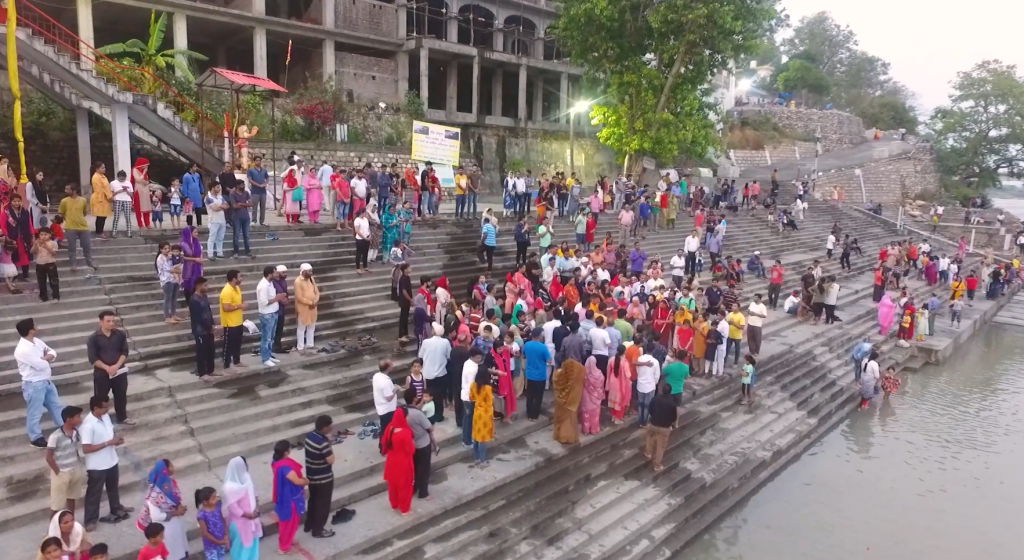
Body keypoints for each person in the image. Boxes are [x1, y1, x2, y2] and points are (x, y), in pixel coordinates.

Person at [81, 396, 131, 531]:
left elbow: (109, 434)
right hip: (97, 465)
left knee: (113, 487)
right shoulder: (88, 425)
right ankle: (90, 520)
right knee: (94, 493)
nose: (107, 409)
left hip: (111, 459)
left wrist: (115, 440)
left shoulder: (106, 417)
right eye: (104, 407)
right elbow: (86, 449)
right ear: (96, 408)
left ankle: (116, 507)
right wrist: (108, 443)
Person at [15, 317, 63, 447]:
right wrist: (46, 358)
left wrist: (44, 357)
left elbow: (53, 352)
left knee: (57, 406)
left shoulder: (36, 341)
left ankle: (65, 428)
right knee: (35, 413)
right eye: (34, 325)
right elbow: (41, 365)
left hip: (46, 382)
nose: (37, 326)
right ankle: (35, 438)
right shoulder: (22, 350)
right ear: (31, 330)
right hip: (34, 385)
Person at [136, 459, 188, 560]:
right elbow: (156, 516)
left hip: (175, 525)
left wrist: (180, 506)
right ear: (165, 470)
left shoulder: (170, 484)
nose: (173, 468)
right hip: (165, 529)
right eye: (171, 466)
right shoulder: (155, 495)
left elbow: (175, 499)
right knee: (171, 553)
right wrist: (175, 513)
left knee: (179, 549)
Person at [87, 310, 132, 425]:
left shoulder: (120, 335)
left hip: (119, 371)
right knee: (101, 397)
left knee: (121, 395)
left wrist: (116, 366)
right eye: (108, 321)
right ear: (101, 322)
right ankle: (100, 419)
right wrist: (107, 367)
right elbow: (93, 357)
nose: (111, 323)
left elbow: (124, 351)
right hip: (102, 373)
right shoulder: (93, 338)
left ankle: (122, 417)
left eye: (113, 321)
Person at [47, 406, 84, 518]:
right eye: (77, 417)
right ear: (69, 419)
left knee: (72, 498)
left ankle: (70, 522)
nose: (80, 419)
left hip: (75, 469)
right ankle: (52, 530)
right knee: (57, 504)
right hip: (62, 472)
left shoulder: (76, 432)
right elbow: (49, 457)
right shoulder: (55, 436)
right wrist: (58, 472)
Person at [222, 456, 262, 560]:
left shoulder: (247, 478)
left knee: (253, 545)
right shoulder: (229, 487)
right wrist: (248, 515)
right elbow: (233, 508)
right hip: (239, 522)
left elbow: (254, 494)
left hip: (252, 519)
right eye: (245, 465)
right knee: (239, 548)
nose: (247, 467)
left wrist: (257, 508)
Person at [271, 440, 307, 554]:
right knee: (289, 523)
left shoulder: (275, 461)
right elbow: (296, 481)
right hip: (289, 498)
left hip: (284, 495)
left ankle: (288, 541)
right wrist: (306, 481)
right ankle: (284, 547)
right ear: (286, 452)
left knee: (288, 523)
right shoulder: (285, 468)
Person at [303, 415, 336, 538]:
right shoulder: (323, 443)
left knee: (313, 501)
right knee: (323, 505)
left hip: (311, 476)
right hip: (324, 479)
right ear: (324, 428)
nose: (331, 428)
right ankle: (318, 530)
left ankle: (309, 524)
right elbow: (330, 460)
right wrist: (329, 444)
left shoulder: (309, 436)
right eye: (330, 426)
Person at [381, 407, 415, 514]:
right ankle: (404, 508)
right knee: (404, 486)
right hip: (403, 462)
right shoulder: (405, 432)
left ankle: (394, 505)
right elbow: (411, 450)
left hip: (391, 461)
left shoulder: (390, 427)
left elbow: (384, 442)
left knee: (392, 485)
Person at [403, 387, 436, 498]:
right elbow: (430, 428)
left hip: (412, 445)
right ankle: (423, 492)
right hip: (423, 444)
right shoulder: (418, 414)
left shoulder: (404, 412)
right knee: (424, 469)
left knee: (415, 469)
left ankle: (414, 488)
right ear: (414, 399)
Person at [57, 184, 95, 271]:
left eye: (68, 189)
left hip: (83, 227)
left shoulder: (83, 200)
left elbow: (84, 212)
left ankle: (90, 262)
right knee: (71, 247)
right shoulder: (64, 201)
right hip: (70, 227)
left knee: (86, 246)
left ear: (74, 191)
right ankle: (73, 264)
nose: (66, 191)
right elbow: (62, 213)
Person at [188, 277, 218, 379]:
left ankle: (210, 370)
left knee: (211, 350)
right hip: (200, 330)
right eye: (205, 285)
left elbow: (208, 311)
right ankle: (202, 373)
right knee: (202, 352)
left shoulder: (204, 296)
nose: (207, 287)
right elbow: (198, 317)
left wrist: (212, 324)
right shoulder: (194, 300)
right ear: (198, 286)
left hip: (208, 328)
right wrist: (209, 327)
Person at [552, 358, 585, 444]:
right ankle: (570, 436)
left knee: (563, 420)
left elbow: (555, 380)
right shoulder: (577, 375)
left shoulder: (560, 375)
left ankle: (562, 436)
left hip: (561, 400)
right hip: (572, 401)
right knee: (571, 419)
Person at [645, 385, 676, 471]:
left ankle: (648, 452)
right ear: (670, 391)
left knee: (649, 436)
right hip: (665, 427)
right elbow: (674, 417)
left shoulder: (655, 399)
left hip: (654, 423)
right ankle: (657, 465)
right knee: (660, 446)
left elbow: (650, 409)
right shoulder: (672, 403)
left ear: (662, 390)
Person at [523, 327, 552, 421]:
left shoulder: (527, 344)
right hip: (540, 375)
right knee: (538, 396)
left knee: (530, 395)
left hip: (529, 374)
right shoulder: (543, 347)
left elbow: (523, 355)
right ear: (539, 335)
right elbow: (549, 360)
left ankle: (529, 413)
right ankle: (534, 415)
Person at [256, 265, 282, 367]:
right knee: (266, 338)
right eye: (275, 272)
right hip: (267, 315)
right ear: (270, 274)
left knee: (271, 337)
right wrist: (277, 298)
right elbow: (263, 302)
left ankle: (269, 355)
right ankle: (265, 358)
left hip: (274, 313)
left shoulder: (270, 283)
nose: (277, 274)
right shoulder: (263, 286)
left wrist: (279, 298)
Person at [469, 365, 495, 463]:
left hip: (476, 413)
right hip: (485, 414)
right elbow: (489, 403)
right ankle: (483, 460)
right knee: (483, 438)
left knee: (476, 436)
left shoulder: (473, 385)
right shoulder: (488, 388)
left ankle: (476, 458)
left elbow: (471, 398)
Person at [195, 487, 228, 560]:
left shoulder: (218, 506)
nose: (216, 498)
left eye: (216, 496)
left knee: (221, 558)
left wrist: (225, 534)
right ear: (205, 502)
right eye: (213, 498)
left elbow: (223, 520)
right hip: (211, 546)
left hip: (221, 541)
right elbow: (205, 533)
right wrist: (218, 542)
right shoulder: (202, 515)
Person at [294, 263, 321, 352]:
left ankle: (310, 344)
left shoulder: (311, 279)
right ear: (304, 271)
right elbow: (299, 297)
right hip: (303, 308)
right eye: (309, 271)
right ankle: (300, 346)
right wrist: (310, 302)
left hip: (313, 307)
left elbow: (316, 291)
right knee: (302, 327)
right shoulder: (298, 281)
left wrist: (316, 300)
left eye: (311, 271)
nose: (311, 273)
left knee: (311, 326)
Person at [605, 344, 632, 424]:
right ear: (624, 351)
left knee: (613, 400)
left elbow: (608, 370)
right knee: (621, 401)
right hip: (622, 383)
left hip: (613, 381)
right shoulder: (625, 362)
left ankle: (613, 416)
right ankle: (617, 418)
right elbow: (628, 375)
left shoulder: (612, 359)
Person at [580, 355, 605, 435]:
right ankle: (594, 429)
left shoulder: (584, 373)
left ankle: (586, 430)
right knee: (595, 413)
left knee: (586, 412)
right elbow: (601, 384)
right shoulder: (600, 374)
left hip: (586, 396)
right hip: (596, 397)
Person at [228, 180, 254, 258]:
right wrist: (246, 205)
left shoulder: (246, 193)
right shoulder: (232, 194)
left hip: (246, 217)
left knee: (246, 235)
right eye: (242, 185)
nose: (243, 186)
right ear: (237, 185)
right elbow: (234, 206)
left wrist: (241, 204)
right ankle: (236, 252)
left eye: (243, 184)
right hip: (236, 217)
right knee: (236, 235)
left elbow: (251, 204)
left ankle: (248, 251)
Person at [635, 349, 660, 426]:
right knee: (647, 405)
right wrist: (654, 383)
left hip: (640, 385)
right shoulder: (655, 362)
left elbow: (637, 370)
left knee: (640, 404)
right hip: (650, 386)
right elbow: (657, 376)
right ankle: (645, 422)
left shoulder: (639, 359)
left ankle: (640, 421)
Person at [179, 226, 203, 303]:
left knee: (197, 283)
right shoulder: (182, 244)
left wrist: (200, 259)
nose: (197, 234)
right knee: (188, 286)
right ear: (189, 233)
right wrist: (195, 259)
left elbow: (200, 251)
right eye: (195, 232)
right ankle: (189, 302)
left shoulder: (197, 242)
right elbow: (182, 257)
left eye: (197, 232)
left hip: (197, 266)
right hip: (187, 267)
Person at [89, 162, 113, 237]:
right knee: (100, 216)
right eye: (102, 168)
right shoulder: (96, 177)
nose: (104, 169)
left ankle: (100, 231)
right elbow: (101, 189)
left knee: (103, 216)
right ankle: (99, 232)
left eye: (104, 167)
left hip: (104, 197)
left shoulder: (102, 176)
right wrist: (109, 196)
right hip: (99, 197)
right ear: (97, 169)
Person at [247, 156, 270, 226]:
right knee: (254, 206)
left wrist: (265, 184)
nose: (258, 162)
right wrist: (258, 185)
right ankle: (254, 220)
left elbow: (267, 177)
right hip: (255, 191)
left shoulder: (264, 170)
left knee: (263, 207)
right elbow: (250, 180)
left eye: (259, 160)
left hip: (263, 191)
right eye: (257, 160)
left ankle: (262, 221)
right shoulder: (251, 170)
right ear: (254, 161)